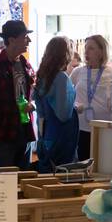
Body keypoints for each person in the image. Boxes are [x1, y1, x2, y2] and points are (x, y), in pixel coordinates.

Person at [0, 20, 36, 169]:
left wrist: (33, 104)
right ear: (11, 40)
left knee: (24, 178)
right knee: (5, 181)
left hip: (24, 130)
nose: (29, 40)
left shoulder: (25, 65)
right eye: (25, 37)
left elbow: (34, 93)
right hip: (4, 132)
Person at [34, 36, 79, 172]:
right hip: (60, 137)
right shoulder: (60, 78)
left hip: (46, 135)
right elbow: (63, 114)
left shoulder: (43, 76)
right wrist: (76, 107)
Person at [70, 34, 112, 161]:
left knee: (103, 164)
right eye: (85, 48)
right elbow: (67, 96)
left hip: (104, 129)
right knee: (83, 163)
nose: (86, 52)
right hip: (82, 128)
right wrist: (74, 105)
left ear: (101, 52)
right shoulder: (78, 72)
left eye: (91, 48)